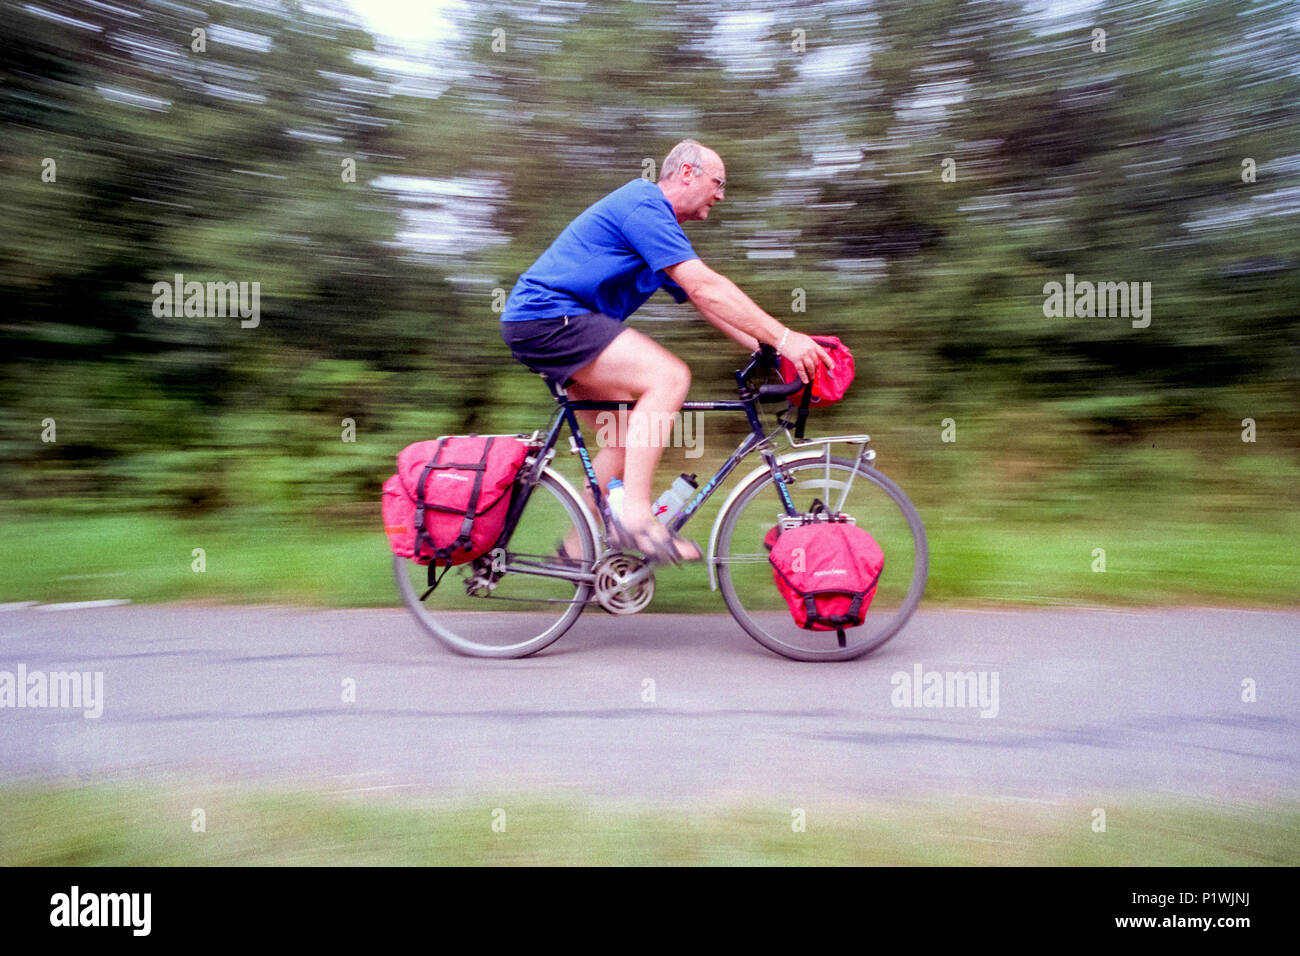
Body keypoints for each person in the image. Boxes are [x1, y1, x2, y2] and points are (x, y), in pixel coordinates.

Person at [500, 139, 832, 564]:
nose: (722, 194)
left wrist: (770, 349)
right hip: (549, 318)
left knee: (621, 442)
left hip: (549, 325)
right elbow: (705, 285)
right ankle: (637, 518)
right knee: (668, 377)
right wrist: (786, 336)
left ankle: (576, 553)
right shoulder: (644, 204)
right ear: (687, 173)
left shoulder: (659, 227)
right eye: (719, 182)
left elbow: (704, 302)